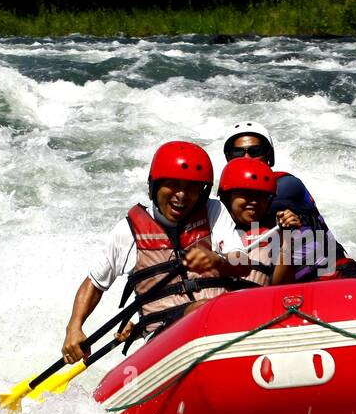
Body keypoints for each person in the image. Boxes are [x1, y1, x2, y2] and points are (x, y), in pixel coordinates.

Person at [61, 141, 254, 362]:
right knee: (201, 310)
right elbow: (95, 284)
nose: (182, 195)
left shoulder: (213, 211)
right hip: (162, 336)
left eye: (191, 188)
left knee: (211, 309)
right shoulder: (128, 231)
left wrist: (218, 261)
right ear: (155, 185)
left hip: (221, 322)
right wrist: (74, 328)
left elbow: (242, 264)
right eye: (173, 185)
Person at [222, 121, 356, 280]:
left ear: (269, 156)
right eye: (238, 153)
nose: (246, 158)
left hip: (331, 273)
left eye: (255, 151)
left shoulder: (287, 185)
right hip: (284, 285)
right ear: (228, 158)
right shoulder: (224, 202)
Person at [215, 156, 302, 286]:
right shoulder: (210, 224)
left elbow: (281, 286)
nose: (254, 202)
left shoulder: (273, 233)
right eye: (246, 194)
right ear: (227, 196)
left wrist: (287, 238)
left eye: (262, 196)